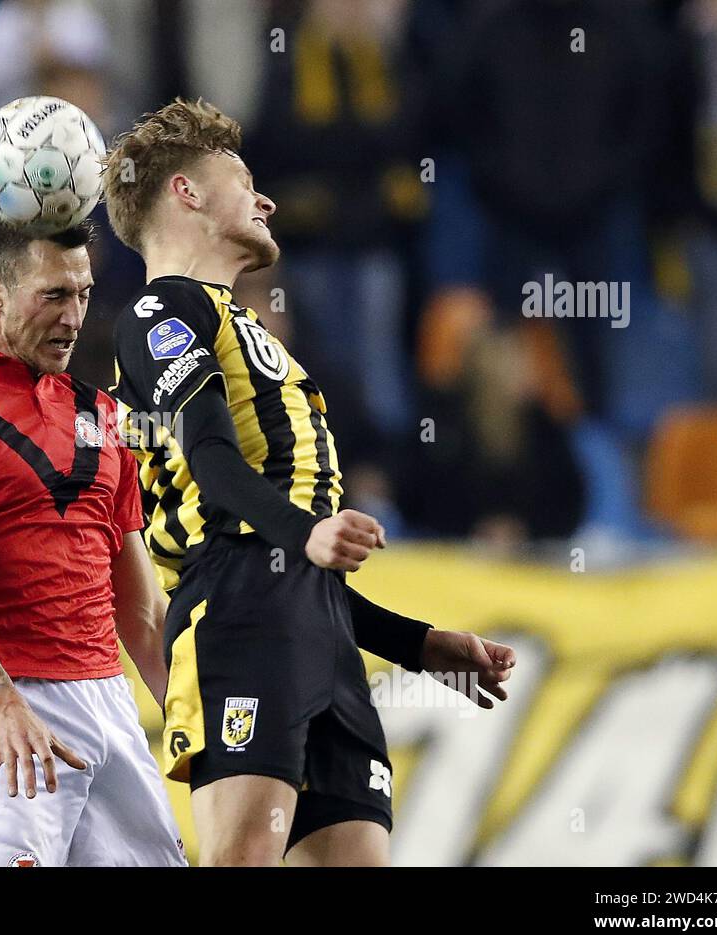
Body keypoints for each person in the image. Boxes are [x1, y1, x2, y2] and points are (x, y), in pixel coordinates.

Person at [101, 98, 516, 866]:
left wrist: (419, 646)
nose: (266, 199)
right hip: (238, 622)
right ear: (185, 194)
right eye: (243, 179)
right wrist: (309, 530)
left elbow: (296, 565)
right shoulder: (162, 309)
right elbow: (214, 464)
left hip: (311, 633)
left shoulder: (242, 325)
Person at [0, 216, 185, 867]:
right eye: (53, 294)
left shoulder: (101, 414)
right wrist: (3, 705)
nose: (74, 315)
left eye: (83, 293)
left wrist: (199, 725)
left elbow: (141, 614)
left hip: (106, 706)